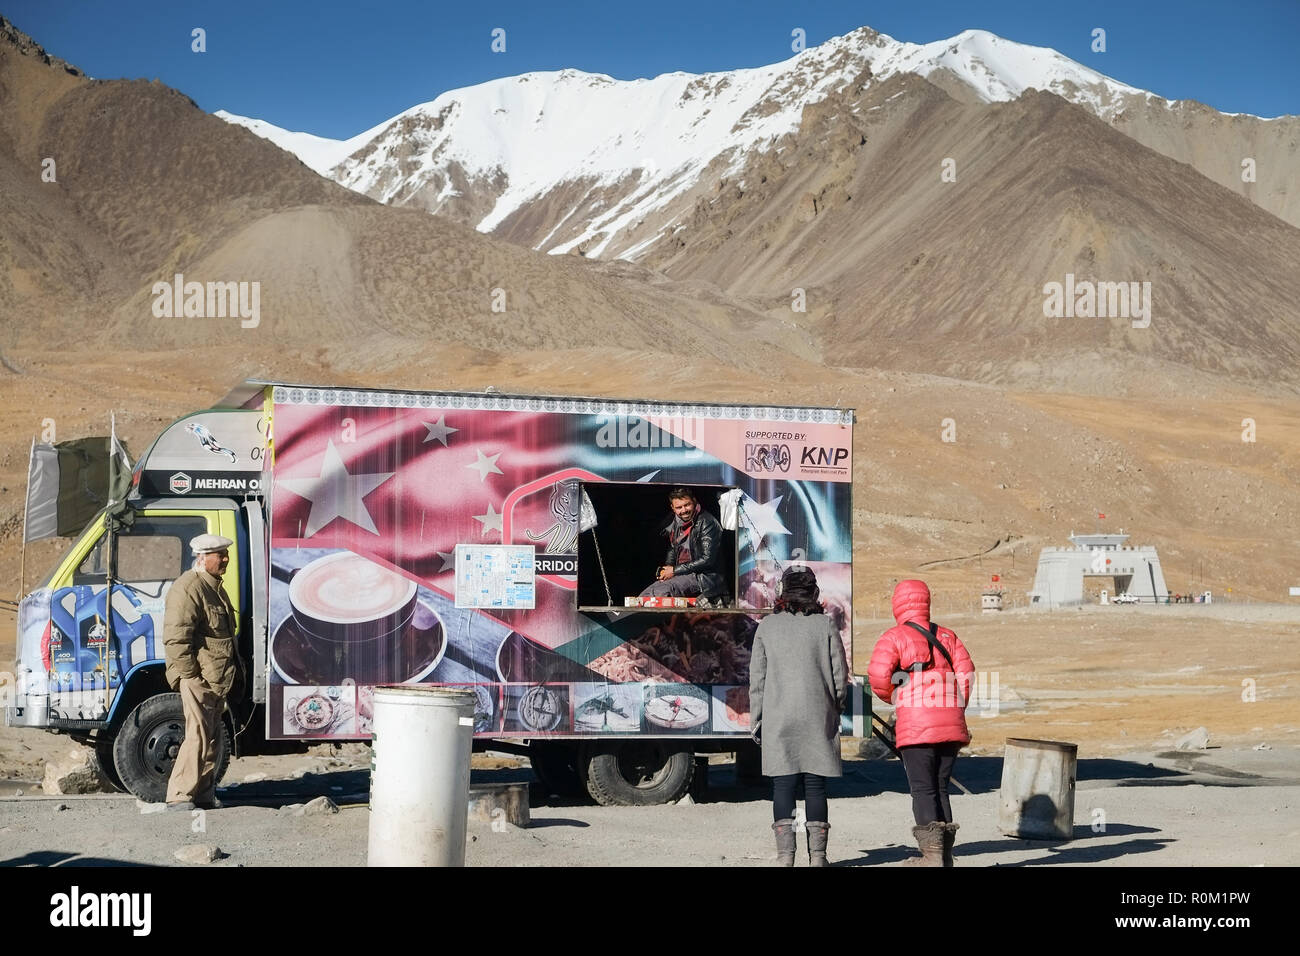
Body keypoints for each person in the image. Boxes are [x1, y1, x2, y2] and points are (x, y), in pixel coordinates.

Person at [868, 579, 975, 866]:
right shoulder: (948, 636)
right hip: (951, 722)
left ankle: (932, 858)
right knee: (941, 788)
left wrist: (895, 696)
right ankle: (946, 857)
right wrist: (955, 706)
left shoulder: (894, 637)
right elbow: (966, 674)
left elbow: (878, 677)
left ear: (897, 603)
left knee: (923, 789)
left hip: (916, 724)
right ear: (926, 602)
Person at [749, 566, 848, 866]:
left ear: (782, 592)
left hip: (779, 717)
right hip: (818, 715)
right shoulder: (825, 625)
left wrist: (757, 720)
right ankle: (817, 858)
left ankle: (785, 857)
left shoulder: (767, 627)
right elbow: (839, 677)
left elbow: (758, 679)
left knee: (783, 786)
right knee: (816, 786)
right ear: (814, 593)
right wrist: (835, 707)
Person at [162, 533, 240, 810]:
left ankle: (203, 793)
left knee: (212, 736)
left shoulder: (213, 587)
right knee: (197, 736)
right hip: (200, 678)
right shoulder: (189, 588)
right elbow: (176, 638)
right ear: (203, 557)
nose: (226, 560)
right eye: (220, 555)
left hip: (215, 679)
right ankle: (180, 795)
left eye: (225, 554)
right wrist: (191, 676)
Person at [638, 487, 727, 605]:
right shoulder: (676, 521)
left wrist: (674, 570)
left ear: (694, 502)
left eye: (687, 505)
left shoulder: (707, 522)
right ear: (672, 508)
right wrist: (667, 569)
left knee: (660, 592)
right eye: (679, 507)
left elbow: (707, 560)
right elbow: (673, 547)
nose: (684, 510)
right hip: (681, 573)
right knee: (644, 596)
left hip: (702, 577)